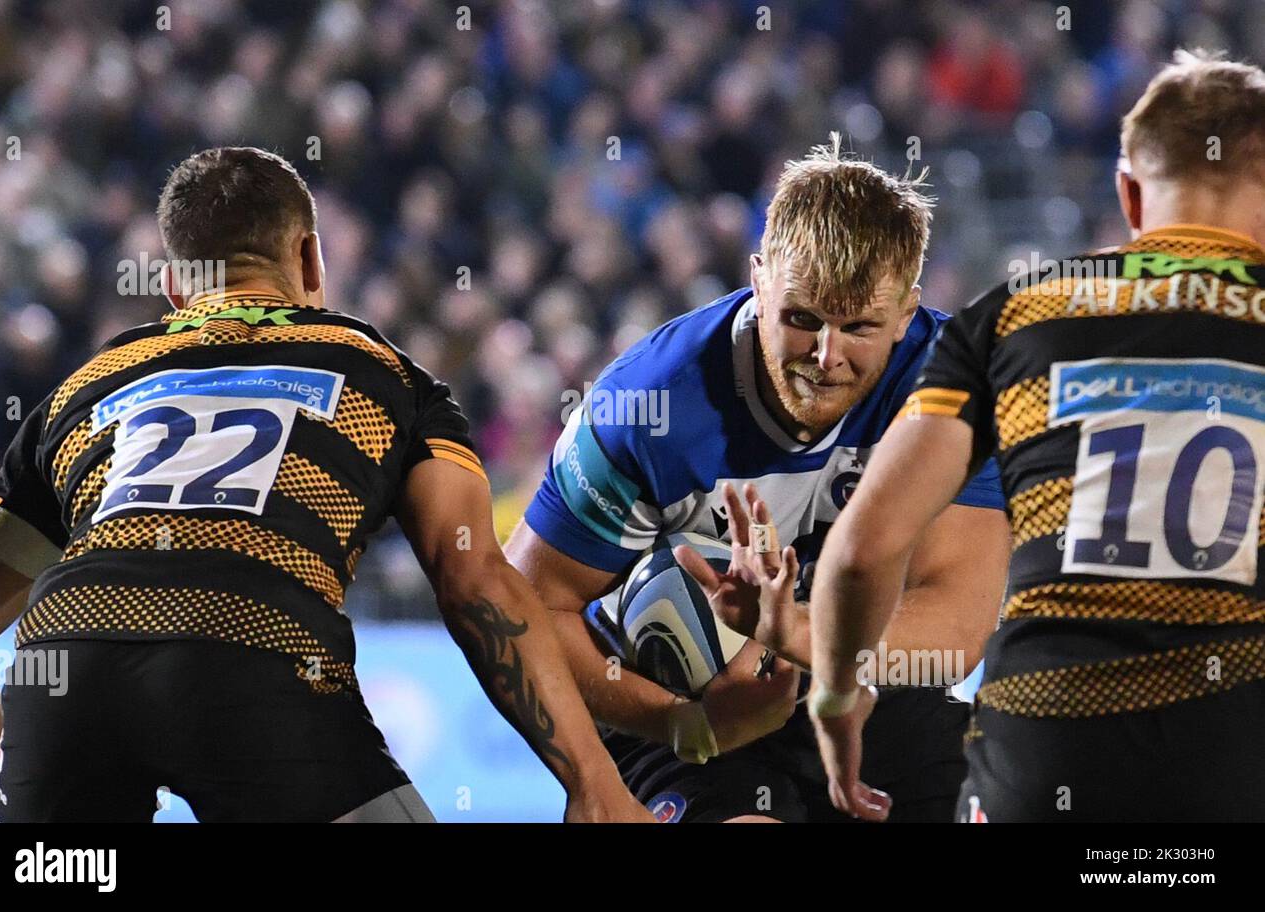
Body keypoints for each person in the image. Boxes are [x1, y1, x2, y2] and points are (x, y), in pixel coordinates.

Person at [0, 146, 651, 823]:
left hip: (67, 651)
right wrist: (593, 783)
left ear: (176, 290)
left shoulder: (82, 390)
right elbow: (473, 578)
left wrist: (39, 769)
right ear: (311, 260)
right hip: (255, 642)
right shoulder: (382, 373)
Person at [808, 50, 1265, 822]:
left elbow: (862, 551)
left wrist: (836, 697)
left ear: (1129, 192)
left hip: (1043, 757)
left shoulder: (1016, 314)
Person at [505, 137, 1010, 823]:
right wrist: (683, 725)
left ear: (907, 311)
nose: (826, 358)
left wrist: (787, 631)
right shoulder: (648, 405)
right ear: (759, 278)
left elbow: (954, 631)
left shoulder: (953, 387)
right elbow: (526, 610)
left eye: (859, 326)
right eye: (802, 319)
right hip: (680, 701)